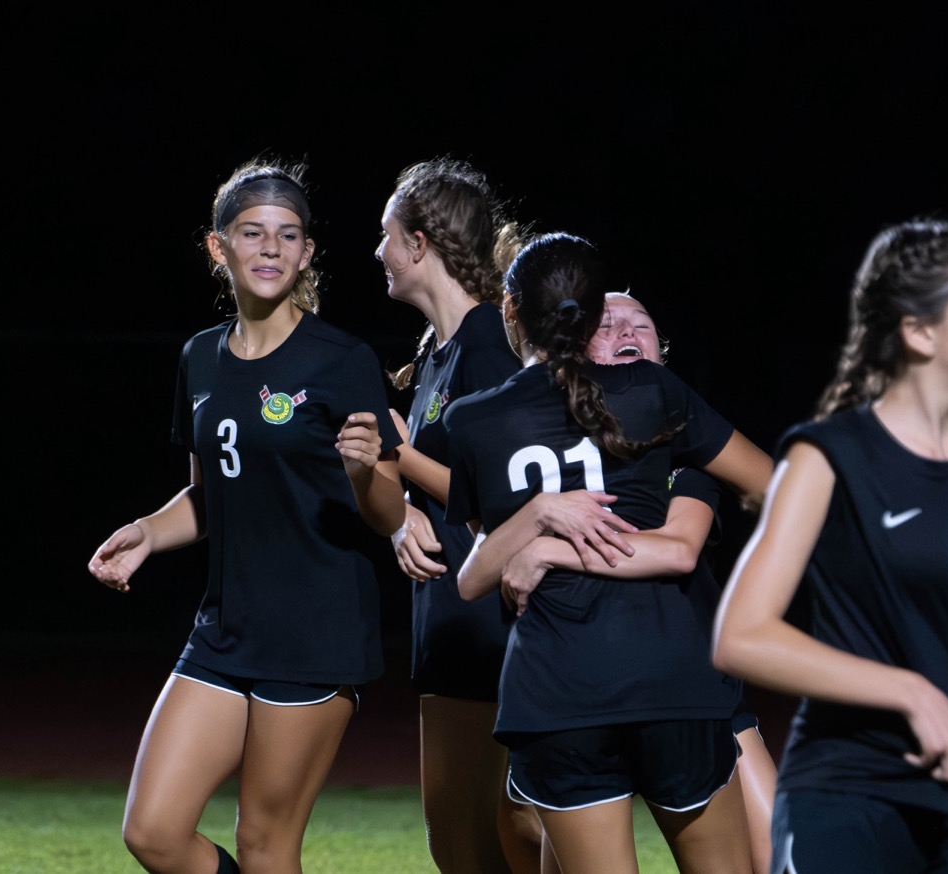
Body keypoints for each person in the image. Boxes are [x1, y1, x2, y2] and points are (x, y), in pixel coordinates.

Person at [86, 157, 405, 874]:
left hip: (315, 630)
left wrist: (362, 472)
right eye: (252, 232)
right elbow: (208, 494)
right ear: (217, 246)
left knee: (266, 846)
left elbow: (387, 516)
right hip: (225, 627)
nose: (270, 248)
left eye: (288, 235)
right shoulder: (200, 358)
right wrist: (146, 533)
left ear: (308, 252)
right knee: (153, 832)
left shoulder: (342, 360)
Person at [712, 218, 948, 873]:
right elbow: (742, 635)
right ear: (919, 330)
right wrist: (913, 693)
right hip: (849, 791)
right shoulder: (827, 456)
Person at [443, 233, 774, 874]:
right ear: (594, 318)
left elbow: (482, 565)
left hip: (556, 689)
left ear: (509, 308)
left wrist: (544, 541)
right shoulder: (652, 391)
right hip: (671, 676)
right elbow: (769, 482)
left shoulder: (473, 420)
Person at [373, 156, 543, 873]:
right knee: (483, 840)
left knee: (479, 842)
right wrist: (401, 514)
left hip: (484, 626)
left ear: (419, 244)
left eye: (384, 234)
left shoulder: (485, 346)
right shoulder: (440, 353)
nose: (376, 251)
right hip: (450, 618)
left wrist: (397, 451)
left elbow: (509, 497)